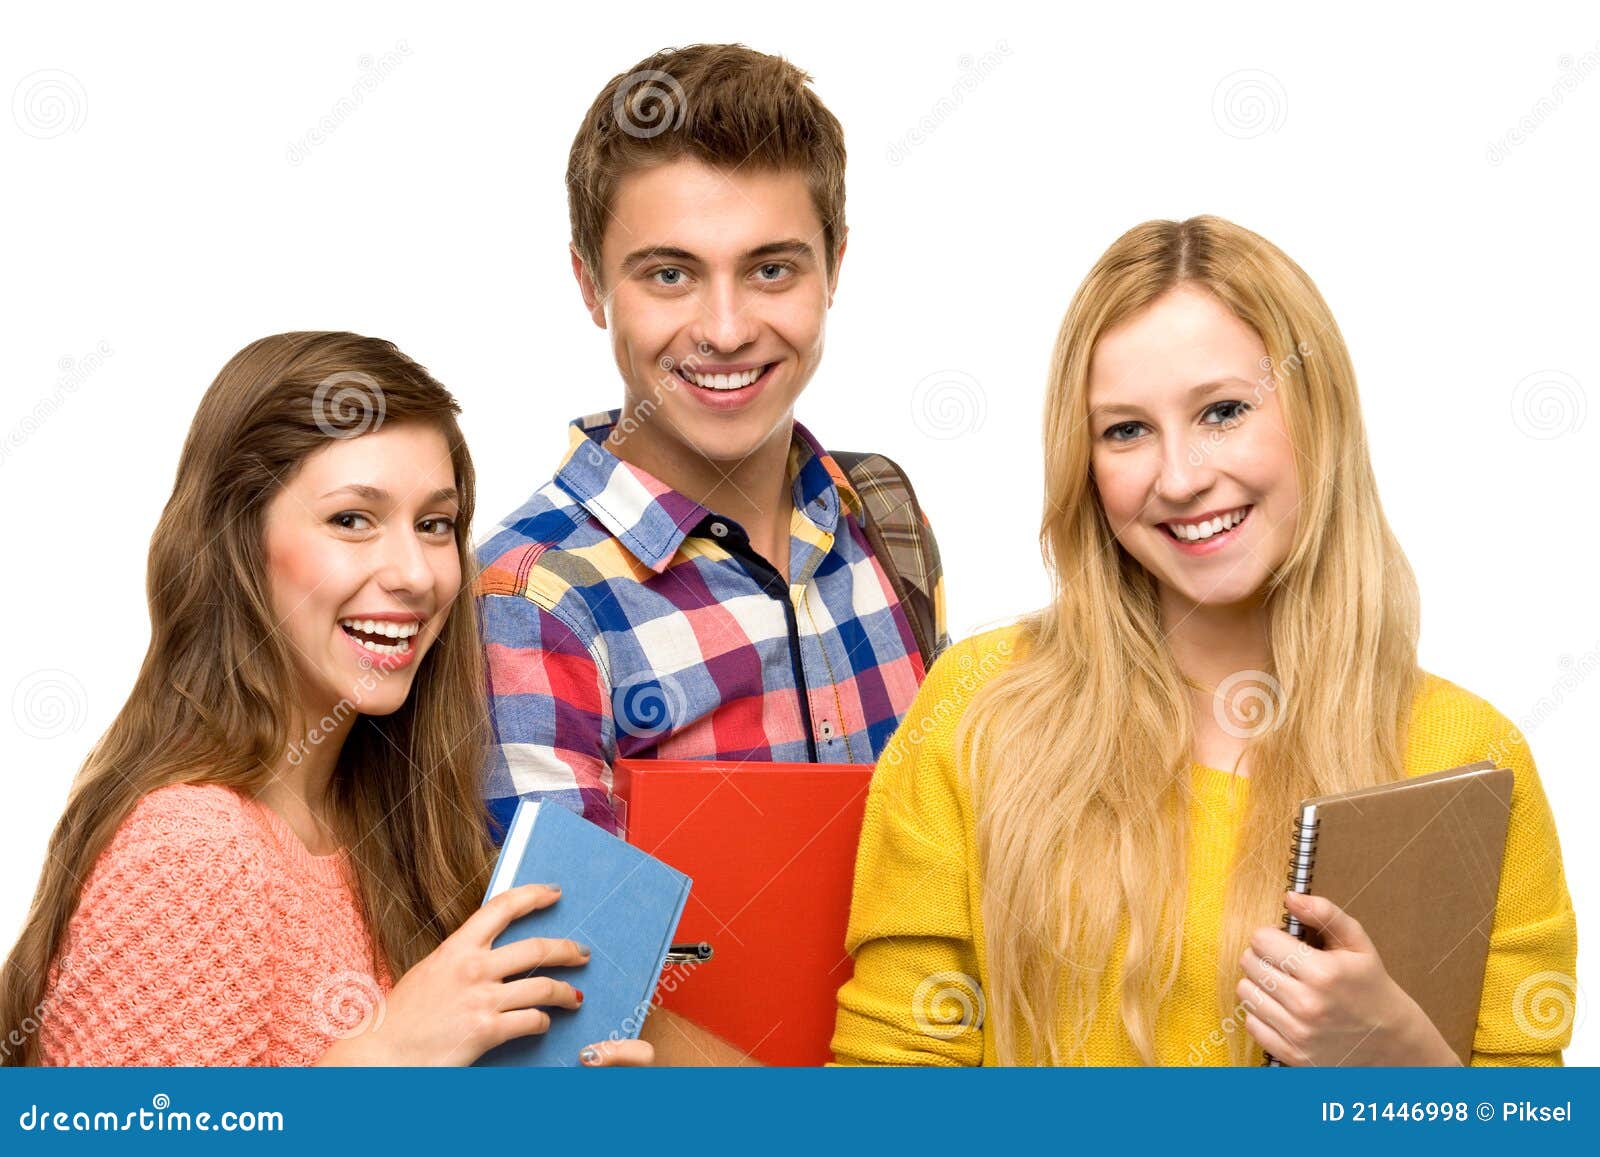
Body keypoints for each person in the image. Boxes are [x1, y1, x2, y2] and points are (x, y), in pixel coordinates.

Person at [831, 216, 1578, 1066]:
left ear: (1317, 414)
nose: (1180, 477)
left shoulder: (1466, 757)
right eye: (1126, 430)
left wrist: (1399, 1053)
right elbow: (889, 1084)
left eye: (1223, 411)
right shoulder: (978, 702)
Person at [0, 332, 647, 1066]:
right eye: (352, 519)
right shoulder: (195, 849)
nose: (414, 572)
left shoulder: (387, 827)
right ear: (237, 541)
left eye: (435, 524)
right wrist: (389, 1058)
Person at [474, 43, 947, 843]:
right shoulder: (534, 599)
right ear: (591, 285)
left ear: (834, 266)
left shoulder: (882, 510)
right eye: (669, 275)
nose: (726, 331)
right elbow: (567, 956)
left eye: (771, 271)